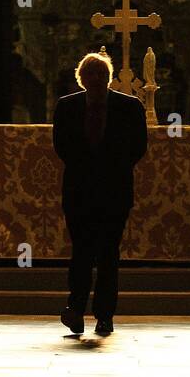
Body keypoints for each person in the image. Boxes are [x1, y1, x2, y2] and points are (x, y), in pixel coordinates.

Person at [52, 51, 148, 338]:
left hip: (113, 190)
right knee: (81, 252)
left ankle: (105, 316)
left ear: (109, 77)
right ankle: (76, 309)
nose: (96, 79)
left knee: (108, 254)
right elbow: (62, 145)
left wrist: (110, 167)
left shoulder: (130, 107)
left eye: (101, 74)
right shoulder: (67, 106)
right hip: (79, 190)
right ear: (81, 78)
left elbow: (138, 146)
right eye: (90, 74)